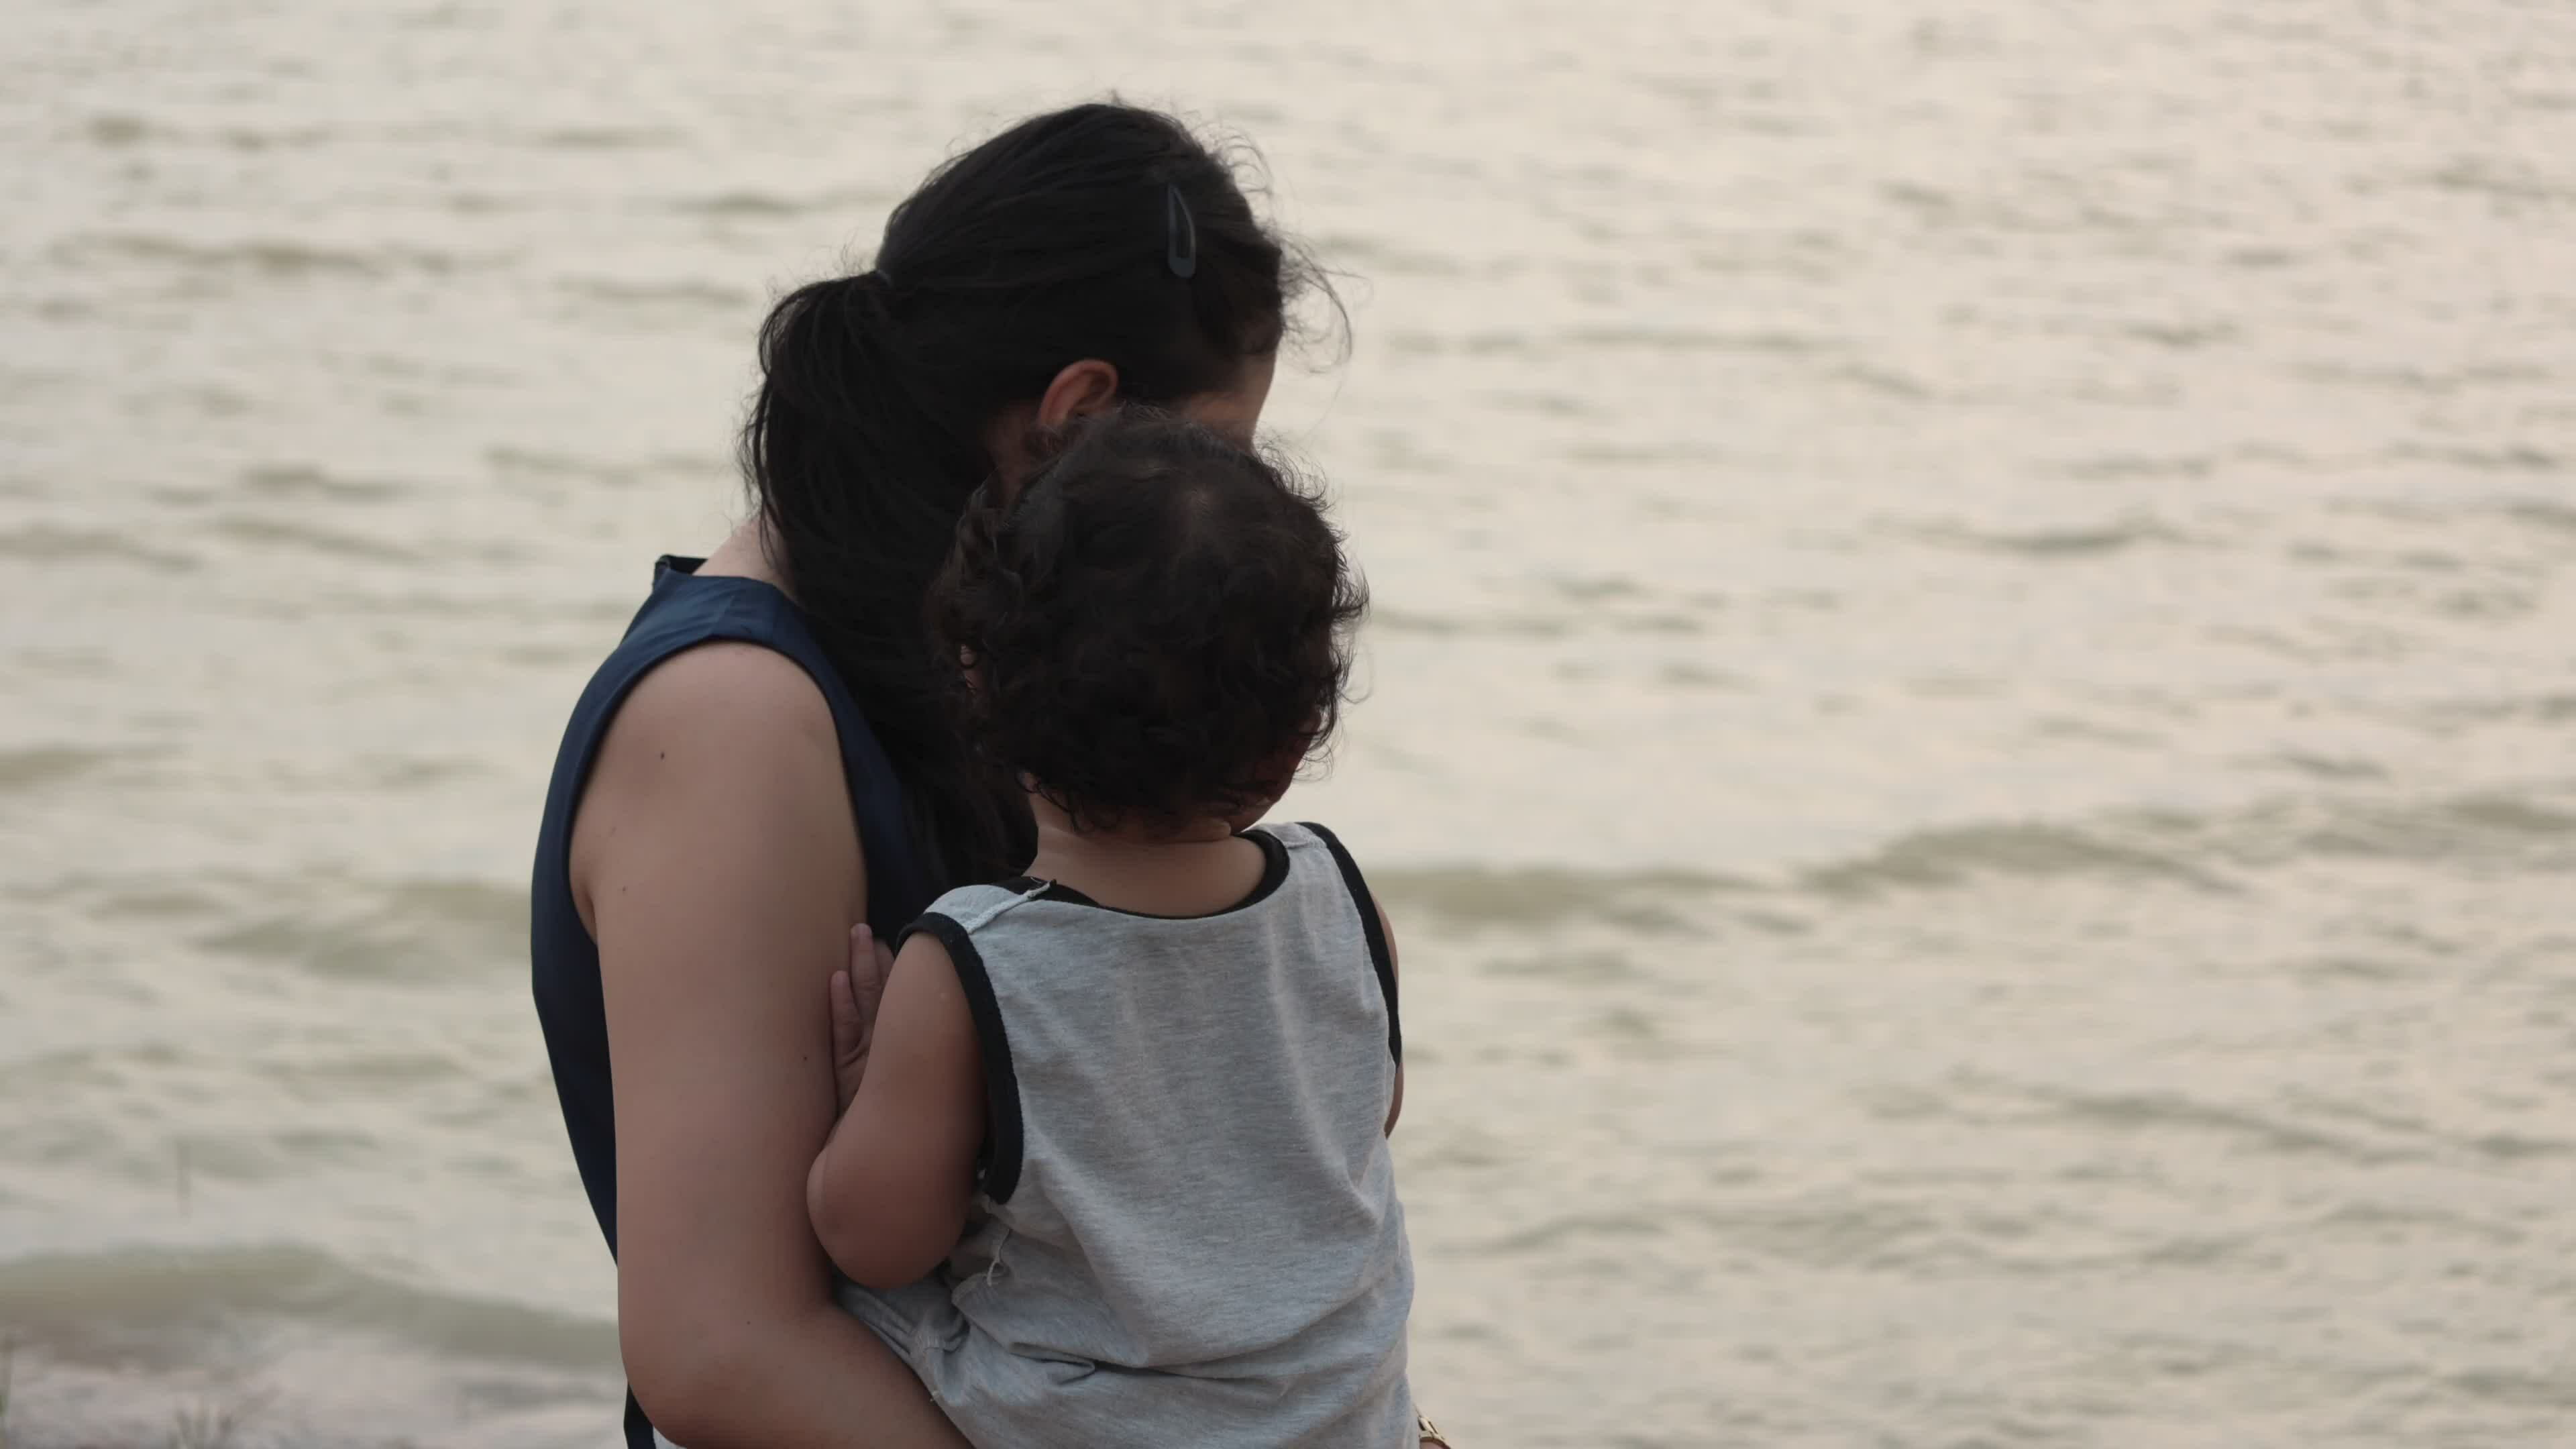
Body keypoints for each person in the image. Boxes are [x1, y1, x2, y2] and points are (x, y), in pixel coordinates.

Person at [529, 103, 1324, 1449]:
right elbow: (719, 1353)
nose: (1217, 512)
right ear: (1078, 411)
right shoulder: (736, 718)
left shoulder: (1025, 681)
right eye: (1216, 455)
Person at [807, 412, 1417, 1446]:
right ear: (1294, 742)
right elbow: (1369, 1112)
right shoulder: (1343, 900)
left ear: (978, 682)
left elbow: (873, 1240)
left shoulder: (974, 961)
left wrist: (873, 1097)